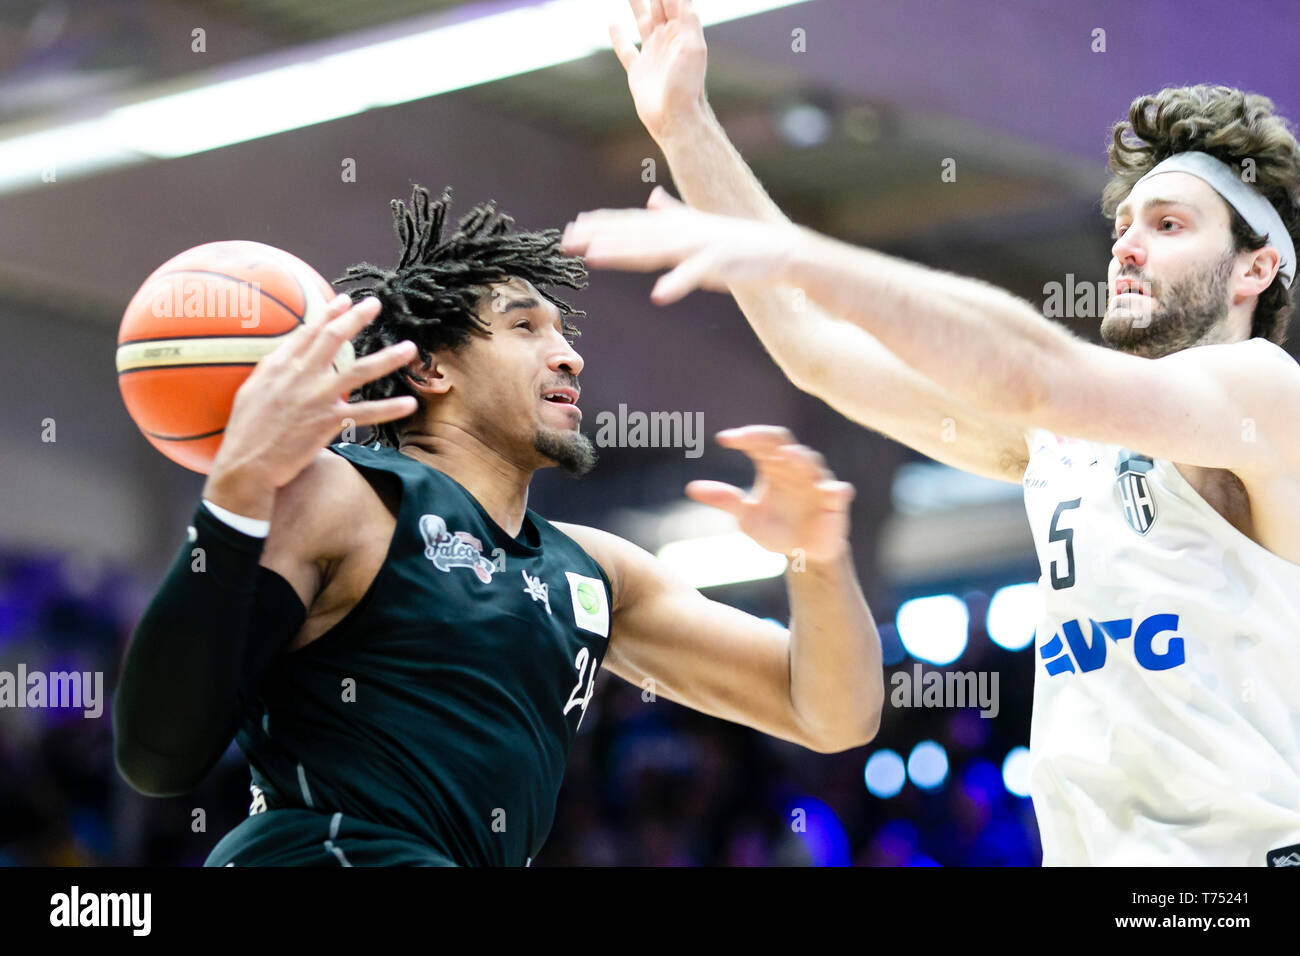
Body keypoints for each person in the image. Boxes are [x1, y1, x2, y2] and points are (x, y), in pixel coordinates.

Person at [567, 0, 1300, 866]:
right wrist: (685, 124)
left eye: (1168, 225)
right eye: (1122, 226)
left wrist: (806, 255)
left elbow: (1033, 371)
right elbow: (816, 351)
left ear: (1257, 267)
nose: (1127, 247)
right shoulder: (1065, 445)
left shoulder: (1266, 394)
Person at [112, 183, 882, 867]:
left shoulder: (596, 573)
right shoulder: (344, 495)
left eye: (563, 332)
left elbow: (829, 711)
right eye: (526, 328)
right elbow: (157, 757)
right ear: (430, 369)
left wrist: (818, 562)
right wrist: (239, 491)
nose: (570, 356)